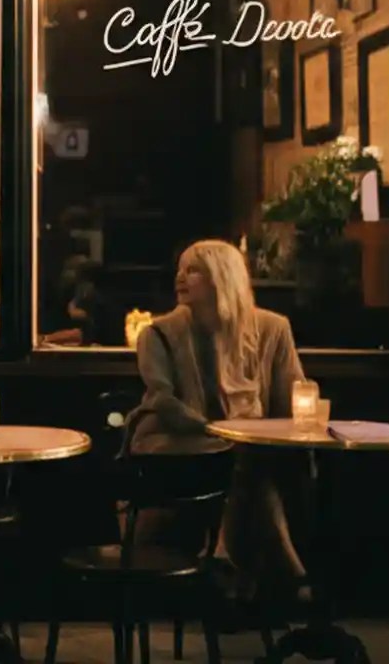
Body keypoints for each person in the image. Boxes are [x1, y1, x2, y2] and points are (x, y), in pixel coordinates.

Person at [127, 239, 310, 604]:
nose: (181, 276)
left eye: (194, 269)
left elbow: (292, 401)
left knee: (250, 460)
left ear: (223, 278)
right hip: (171, 443)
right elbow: (164, 402)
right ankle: (291, 574)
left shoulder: (273, 329)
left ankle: (231, 566)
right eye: (180, 268)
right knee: (244, 458)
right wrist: (218, 430)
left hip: (244, 451)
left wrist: (276, 428)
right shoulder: (158, 333)